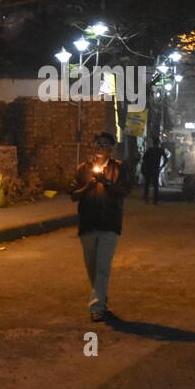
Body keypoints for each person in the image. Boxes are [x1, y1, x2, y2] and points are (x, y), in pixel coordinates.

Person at [70, 132, 130, 322]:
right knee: (92, 267)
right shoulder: (83, 169)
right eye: (98, 144)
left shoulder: (118, 168)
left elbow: (124, 190)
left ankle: (97, 306)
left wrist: (107, 183)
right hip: (88, 223)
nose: (100, 148)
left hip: (109, 224)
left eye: (105, 145)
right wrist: (87, 187)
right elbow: (73, 194)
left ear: (111, 149)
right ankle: (101, 296)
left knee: (103, 267)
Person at [140, 136, 166, 204]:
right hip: (156, 169)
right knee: (155, 185)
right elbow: (166, 160)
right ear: (158, 143)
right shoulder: (160, 150)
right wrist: (161, 167)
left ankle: (146, 199)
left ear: (153, 142)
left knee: (147, 184)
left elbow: (144, 159)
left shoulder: (149, 150)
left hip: (148, 169)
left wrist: (144, 167)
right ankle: (155, 200)